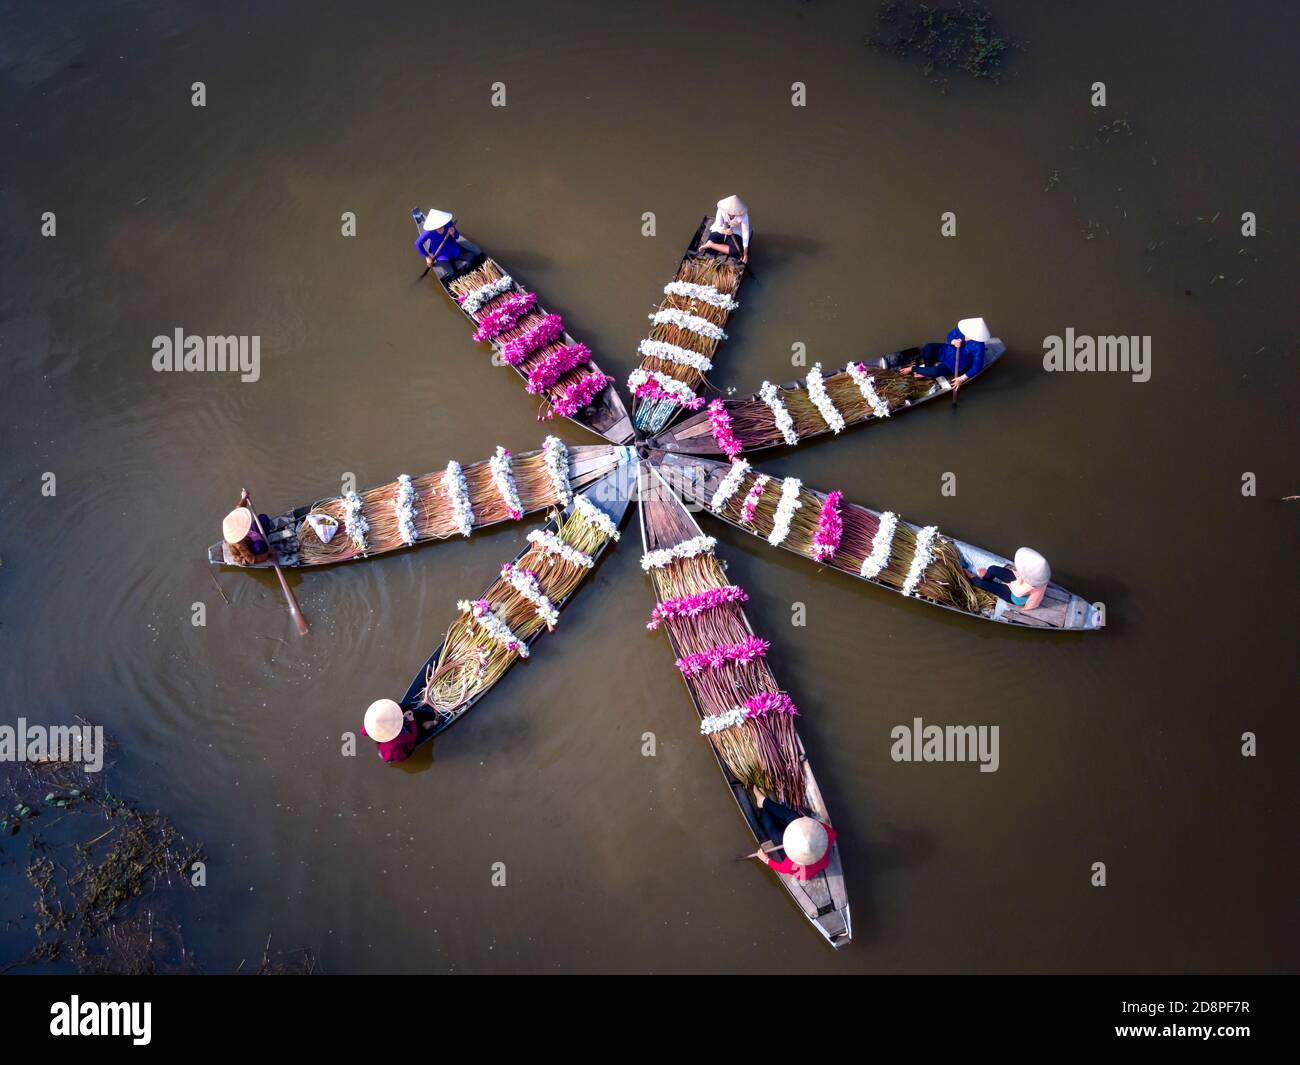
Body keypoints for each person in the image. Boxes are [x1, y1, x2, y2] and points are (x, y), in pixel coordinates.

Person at [748, 786, 837, 880]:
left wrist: (765, 859)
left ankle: (763, 806)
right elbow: (810, 823)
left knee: (773, 830)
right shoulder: (829, 833)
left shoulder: (792, 863)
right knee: (790, 815)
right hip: (804, 835)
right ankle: (763, 802)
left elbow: (782, 868)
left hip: (799, 858)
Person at [900, 316, 991, 393]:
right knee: (928, 347)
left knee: (936, 371)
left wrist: (961, 379)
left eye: (970, 335)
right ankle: (928, 370)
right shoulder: (962, 329)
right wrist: (953, 341)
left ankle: (914, 369)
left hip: (956, 364)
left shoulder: (979, 346)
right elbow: (949, 335)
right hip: (946, 351)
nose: (966, 336)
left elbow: (977, 367)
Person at [968, 547, 1052, 610]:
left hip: (1015, 596)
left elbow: (1033, 603)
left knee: (982, 584)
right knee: (992, 569)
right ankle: (986, 578)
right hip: (1017, 579)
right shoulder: (1037, 575)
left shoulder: (1036, 590)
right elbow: (1020, 573)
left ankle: (971, 577)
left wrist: (1024, 610)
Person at [361, 698, 434, 764]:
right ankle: (435, 720)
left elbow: (363, 732)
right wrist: (412, 721)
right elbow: (412, 736)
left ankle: (426, 713)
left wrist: (404, 716)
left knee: (404, 708)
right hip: (401, 752)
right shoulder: (398, 739)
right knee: (424, 726)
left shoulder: (372, 724)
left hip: (387, 747)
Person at [697, 194, 751, 263]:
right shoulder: (721, 210)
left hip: (735, 233)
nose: (730, 214)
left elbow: (745, 233)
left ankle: (711, 245)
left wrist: (745, 254)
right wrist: (724, 231)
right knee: (709, 251)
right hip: (721, 230)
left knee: (736, 251)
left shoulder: (744, 215)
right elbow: (718, 225)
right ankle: (715, 246)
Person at [222, 493, 271, 566]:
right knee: (260, 546)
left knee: (263, 518)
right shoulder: (239, 544)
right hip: (249, 548)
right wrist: (268, 555)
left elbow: (239, 508)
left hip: (249, 536)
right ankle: (263, 544)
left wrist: (244, 498)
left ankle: (262, 538)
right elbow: (252, 560)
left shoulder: (234, 521)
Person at [414, 208, 464, 276]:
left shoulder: (448, 223)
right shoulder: (429, 232)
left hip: (452, 248)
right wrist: (427, 257)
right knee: (453, 273)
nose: (440, 227)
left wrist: (453, 233)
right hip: (440, 253)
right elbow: (418, 243)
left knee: (474, 256)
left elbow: (457, 236)